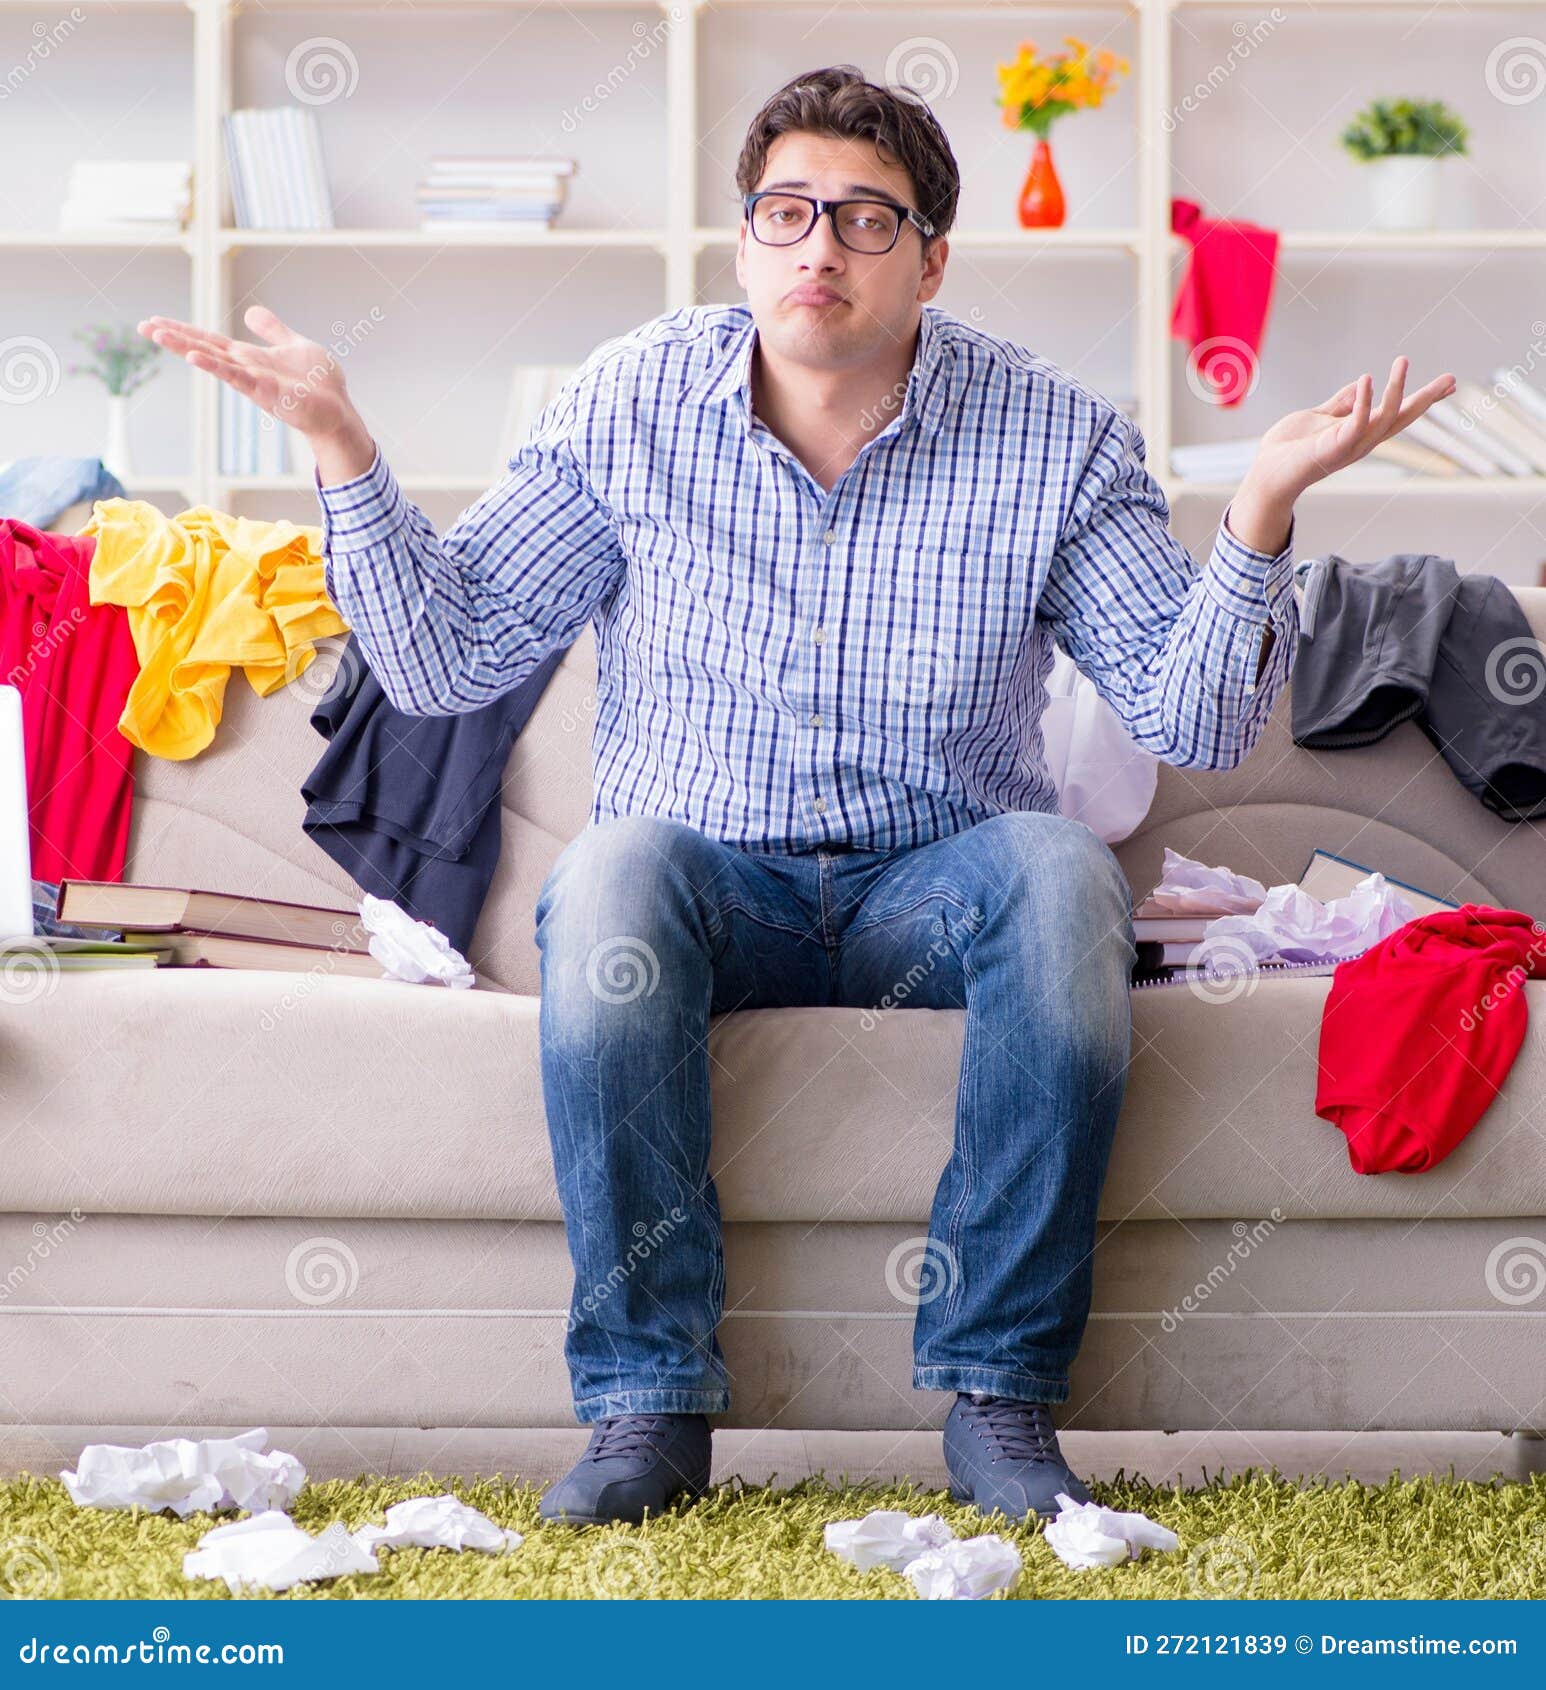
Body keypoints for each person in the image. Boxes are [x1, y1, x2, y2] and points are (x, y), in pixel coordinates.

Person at [138, 65, 1455, 1530]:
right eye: (786, 212)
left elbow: (1187, 714)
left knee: (1059, 872)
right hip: (705, 887)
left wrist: (1260, 512)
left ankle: (1000, 1396)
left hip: (933, 888)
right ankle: (646, 1406)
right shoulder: (630, 402)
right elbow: (450, 661)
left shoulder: (1057, 438)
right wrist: (343, 449)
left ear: (931, 261)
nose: (819, 246)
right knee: (614, 871)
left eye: (865, 219)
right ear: (744, 241)